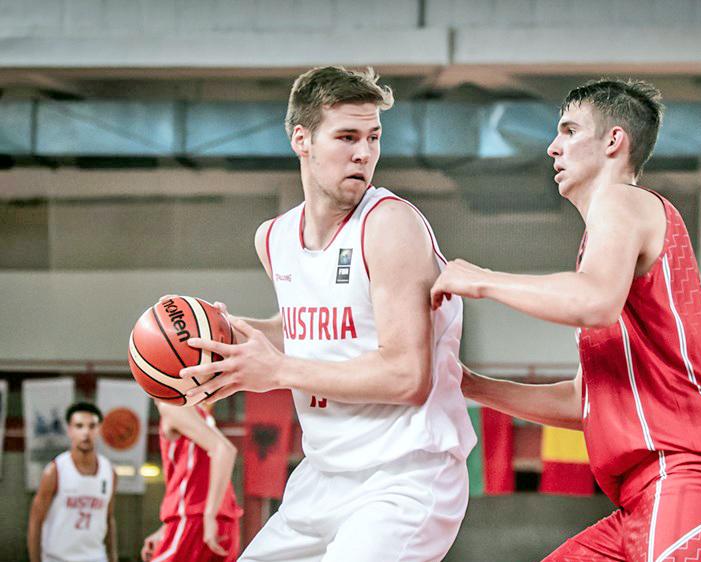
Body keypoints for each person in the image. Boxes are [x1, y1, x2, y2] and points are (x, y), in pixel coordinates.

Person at [430, 79, 701, 561]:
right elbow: (583, 401)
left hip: (696, 479)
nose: (553, 147)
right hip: (641, 501)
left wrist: (482, 279)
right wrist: (470, 385)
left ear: (614, 141)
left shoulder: (623, 202)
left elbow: (593, 301)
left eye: (569, 130)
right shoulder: (602, 251)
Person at [177, 65, 475, 562]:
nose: (364, 153)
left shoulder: (390, 226)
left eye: (373, 137)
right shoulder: (273, 237)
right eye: (347, 137)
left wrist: (275, 371)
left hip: (404, 479)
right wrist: (234, 335)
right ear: (302, 139)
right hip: (322, 478)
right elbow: (308, 328)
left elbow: (407, 375)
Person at [141, 402, 242, 562]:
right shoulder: (200, 415)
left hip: (196, 520)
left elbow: (224, 450)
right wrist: (166, 529)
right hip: (223, 521)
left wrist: (209, 515)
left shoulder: (173, 406)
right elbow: (196, 476)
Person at [28, 402, 117, 562]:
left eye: (92, 426)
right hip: (58, 558)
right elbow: (36, 520)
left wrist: (113, 557)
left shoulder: (109, 472)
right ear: (69, 430)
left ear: (99, 430)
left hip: (96, 557)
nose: (86, 432)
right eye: (79, 426)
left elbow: (109, 518)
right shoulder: (55, 470)